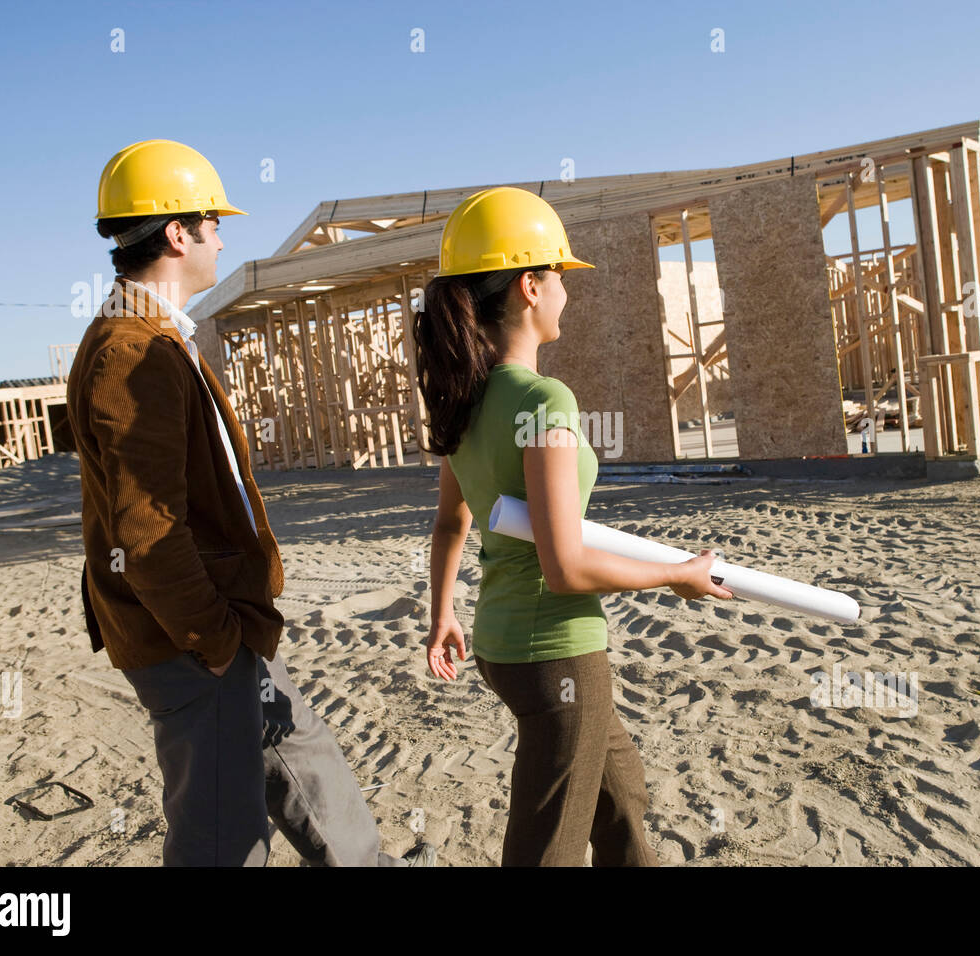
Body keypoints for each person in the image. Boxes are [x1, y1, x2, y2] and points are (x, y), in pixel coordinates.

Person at [68, 139, 434, 867]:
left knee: (308, 761)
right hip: (190, 637)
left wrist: (232, 634)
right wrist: (213, 642)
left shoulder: (160, 338)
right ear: (179, 232)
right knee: (222, 837)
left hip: (222, 624)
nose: (223, 238)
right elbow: (147, 529)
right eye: (214, 224)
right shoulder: (132, 352)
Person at [415, 186, 732, 866]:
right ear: (530, 286)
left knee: (622, 810)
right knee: (547, 848)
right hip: (557, 651)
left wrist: (442, 613)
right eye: (560, 277)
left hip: (504, 647)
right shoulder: (543, 398)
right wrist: (679, 576)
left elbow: (450, 522)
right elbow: (565, 567)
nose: (566, 292)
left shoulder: (464, 396)